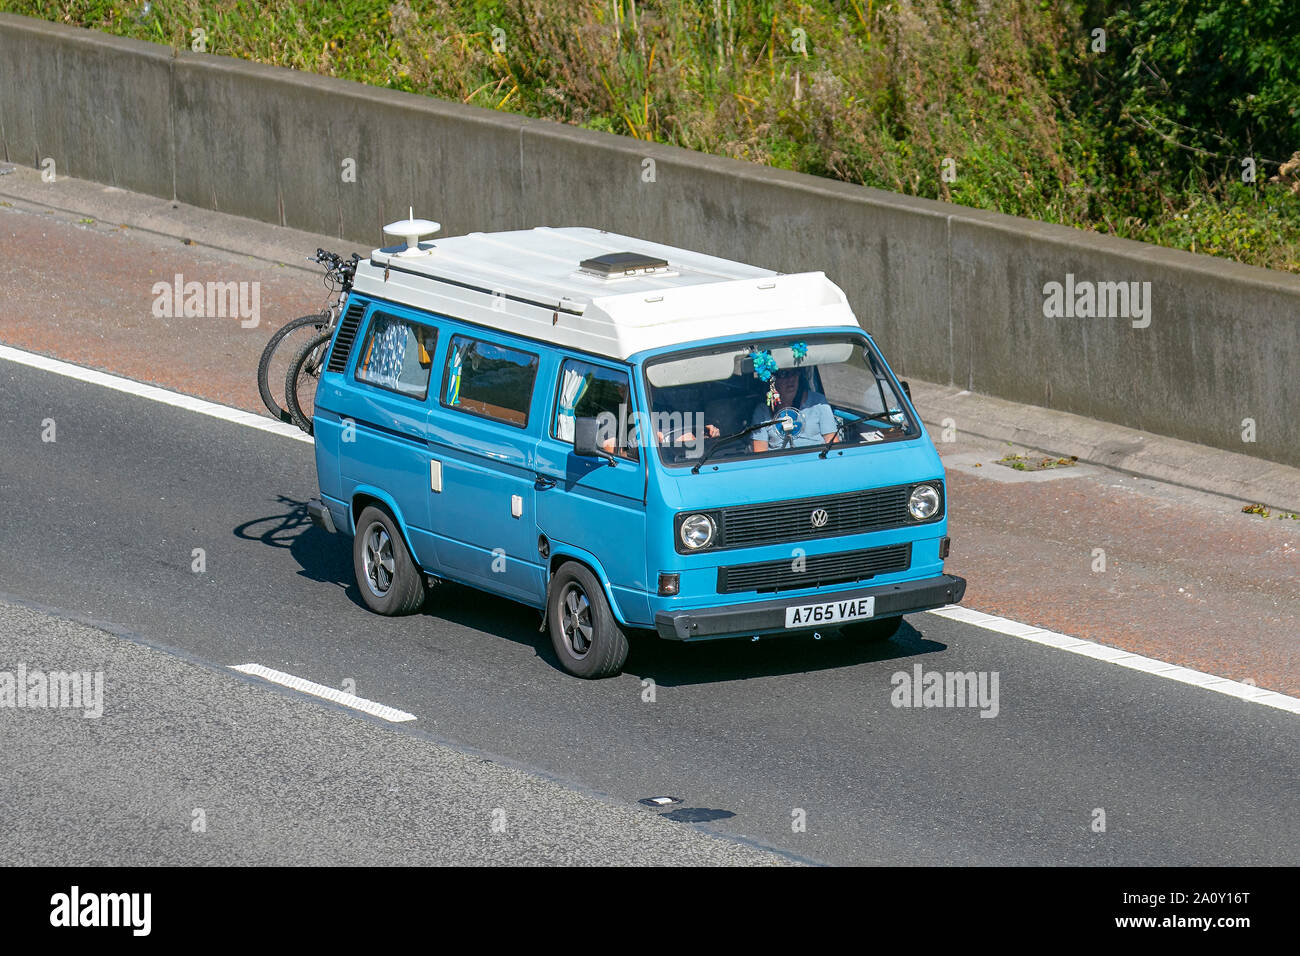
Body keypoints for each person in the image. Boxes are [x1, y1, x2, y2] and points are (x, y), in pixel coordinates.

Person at [750, 366, 838, 452]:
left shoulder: (818, 402)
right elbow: (761, 453)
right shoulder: (762, 411)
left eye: (795, 372)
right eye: (784, 374)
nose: (791, 379)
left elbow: (832, 442)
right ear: (772, 380)